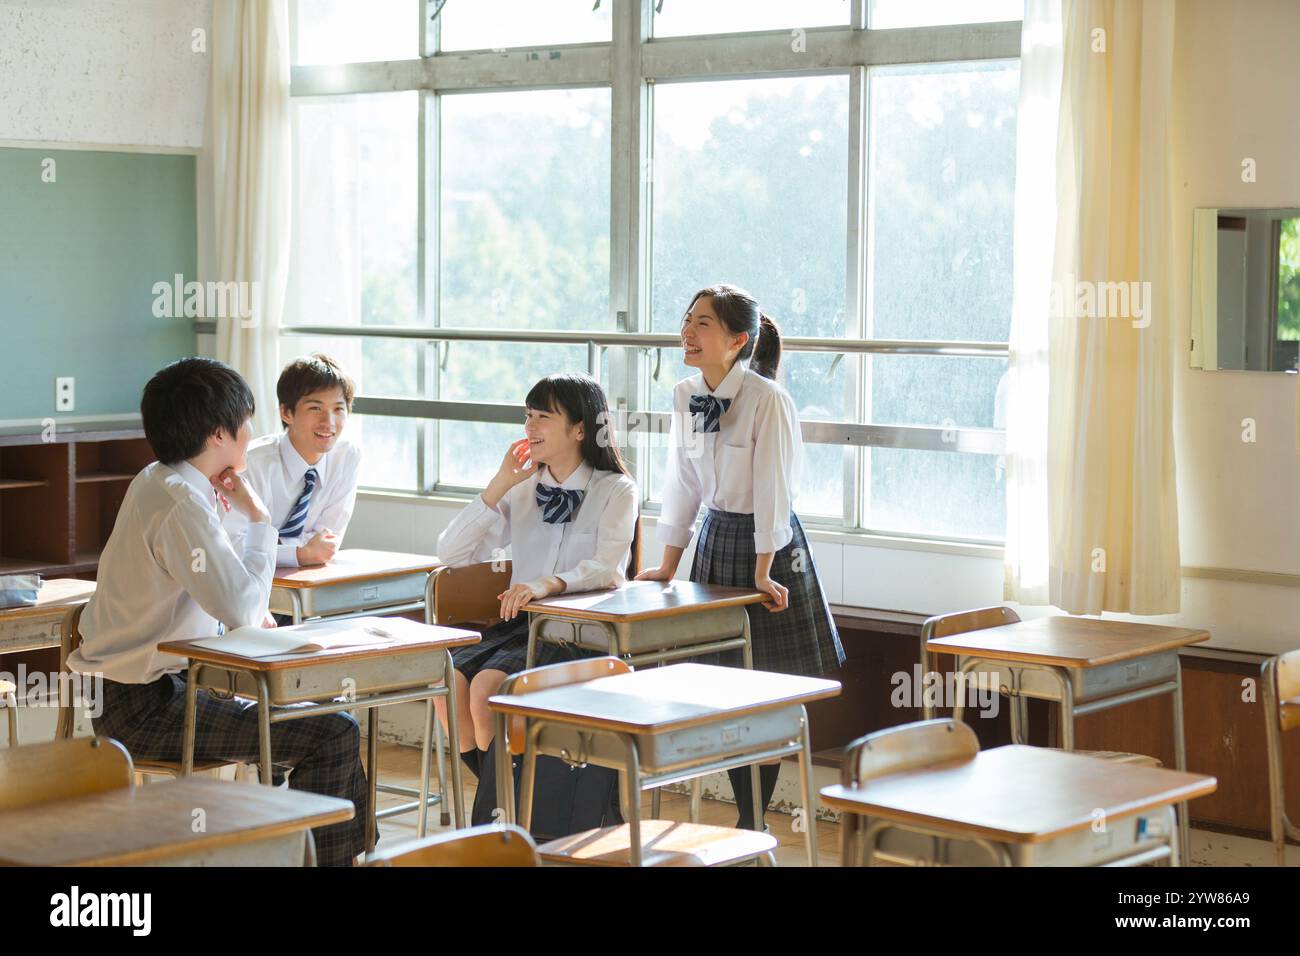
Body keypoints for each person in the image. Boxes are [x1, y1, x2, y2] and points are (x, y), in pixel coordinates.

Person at [69, 357, 368, 866]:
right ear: (217, 433)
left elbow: (229, 596)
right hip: (144, 707)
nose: (253, 433)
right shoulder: (183, 501)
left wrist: (245, 593)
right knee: (334, 730)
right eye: (246, 421)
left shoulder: (162, 480)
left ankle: (323, 856)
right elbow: (243, 610)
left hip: (161, 686)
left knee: (322, 720)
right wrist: (259, 518)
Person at [636, 283, 845, 830]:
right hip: (716, 538)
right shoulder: (686, 394)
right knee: (721, 689)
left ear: (737, 340)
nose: (688, 332)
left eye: (702, 323)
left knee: (768, 689)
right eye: (687, 320)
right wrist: (667, 562)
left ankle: (751, 825)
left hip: (769, 546)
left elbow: (775, 488)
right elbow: (681, 483)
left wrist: (763, 569)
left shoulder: (767, 398)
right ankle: (748, 823)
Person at [433, 373, 637, 777]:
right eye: (528, 416)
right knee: (448, 683)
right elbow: (450, 553)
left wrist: (545, 585)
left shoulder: (616, 490)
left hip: (579, 629)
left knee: (487, 688)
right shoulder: (523, 488)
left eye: (543, 416)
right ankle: (495, 802)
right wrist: (500, 483)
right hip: (520, 626)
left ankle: (508, 809)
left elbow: (607, 568)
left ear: (580, 428)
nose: (530, 427)